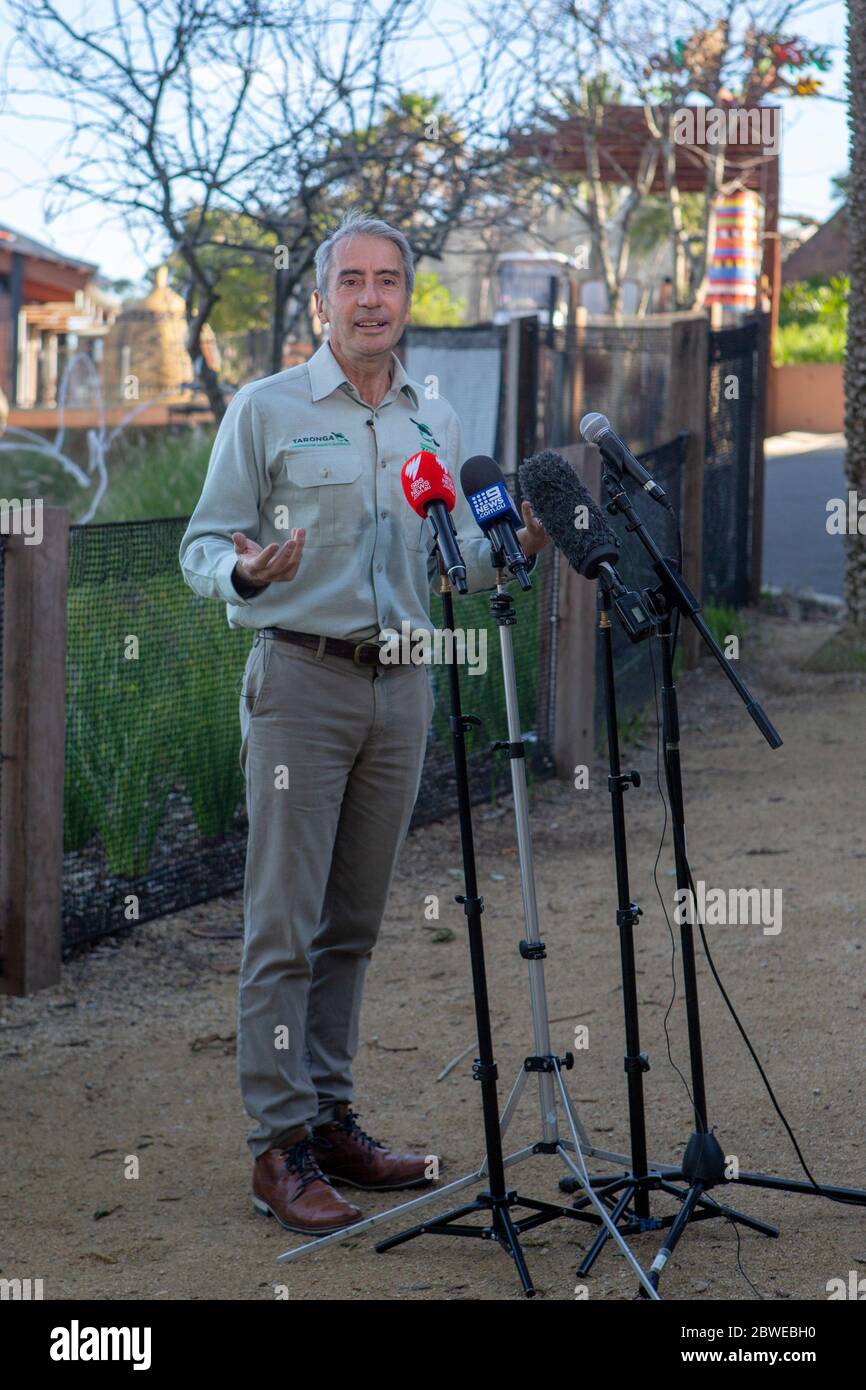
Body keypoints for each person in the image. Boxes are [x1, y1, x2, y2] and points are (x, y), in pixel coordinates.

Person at [179, 213, 550, 1235]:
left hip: (404, 687)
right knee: (284, 926)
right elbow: (203, 540)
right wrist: (244, 569)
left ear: (407, 298)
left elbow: (455, 564)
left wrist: (506, 542)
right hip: (302, 681)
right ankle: (278, 1145)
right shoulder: (267, 409)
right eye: (353, 280)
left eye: (389, 280)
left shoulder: (436, 422)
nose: (373, 297)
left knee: (351, 922)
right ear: (319, 300)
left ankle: (333, 1120)